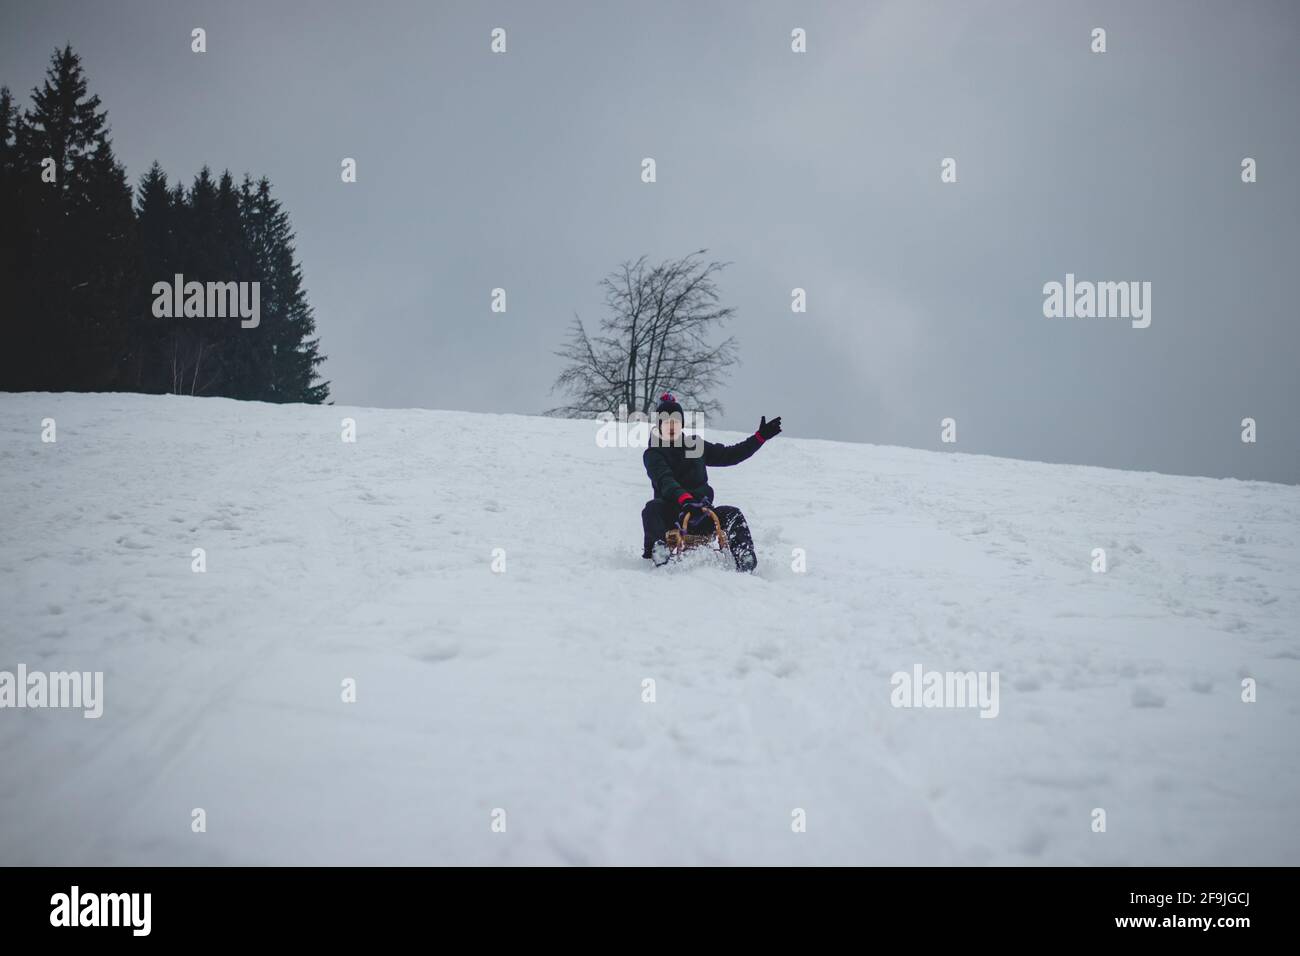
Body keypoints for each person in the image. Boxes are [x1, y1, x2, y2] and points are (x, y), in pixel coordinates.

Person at [641, 392, 782, 571]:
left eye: (675, 422)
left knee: (732, 514)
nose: (671, 426)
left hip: (702, 513)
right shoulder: (655, 452)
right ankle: (659, 550)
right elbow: (665, 480)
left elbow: (730, 455)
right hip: (672, 512)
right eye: (666, 422)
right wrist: (684, 499)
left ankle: (744, 555)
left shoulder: (694, 446)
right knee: (651, 509)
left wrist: (759, 438)